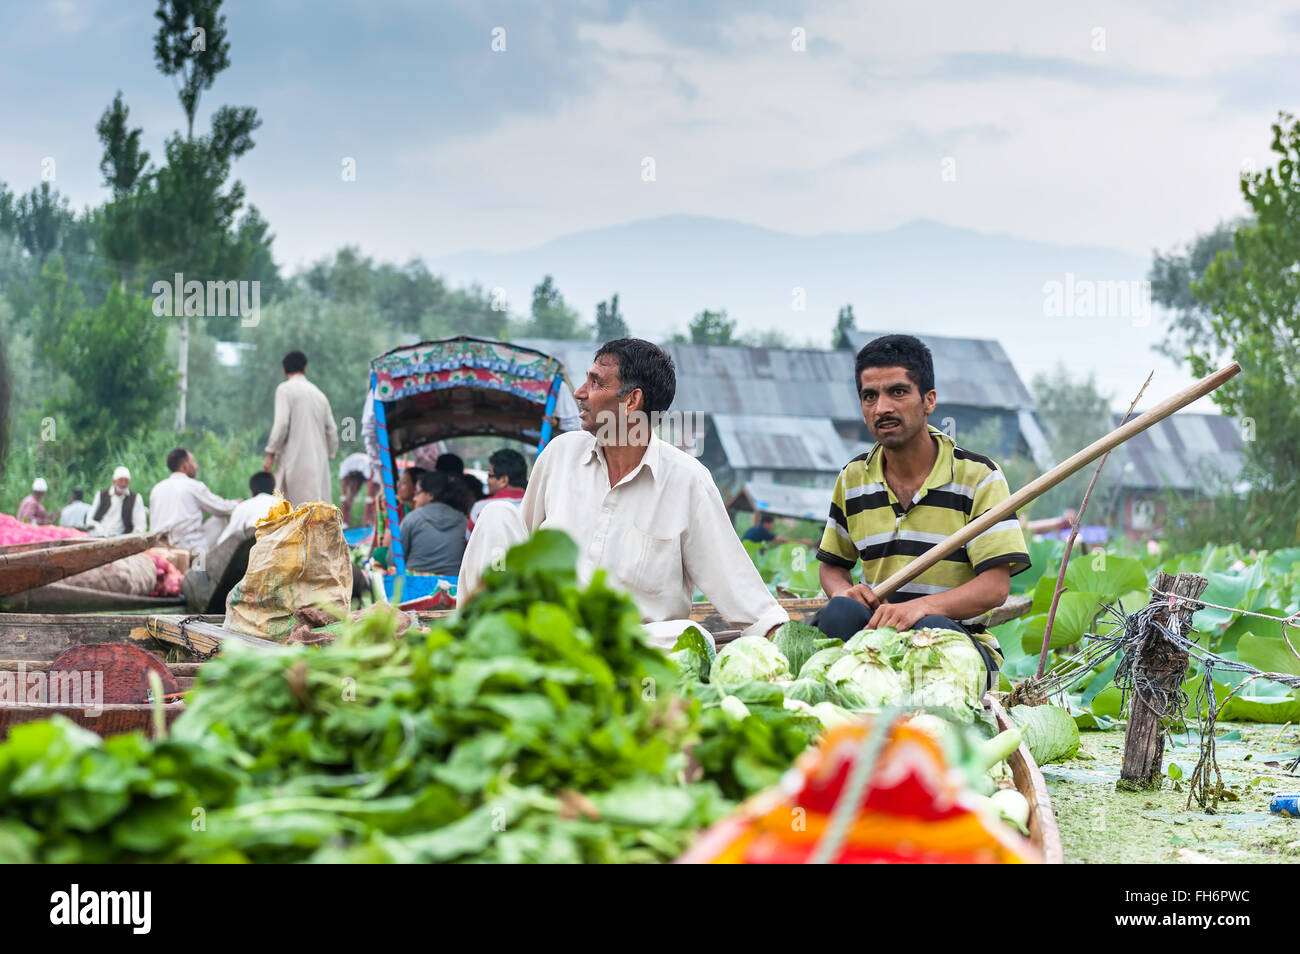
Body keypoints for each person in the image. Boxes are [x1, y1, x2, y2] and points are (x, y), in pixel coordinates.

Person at [460, 338, 788, 648]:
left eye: (596, 382)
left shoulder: (688, 482)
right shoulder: (560, 455)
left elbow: (748, 599)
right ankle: (474, 649)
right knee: (496, 515)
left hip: (622, 650)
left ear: (631, 401)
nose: (580, 393)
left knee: (686, 634)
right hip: (547, 637)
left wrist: (793, 648)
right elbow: (522, 542)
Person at [811, 334, 1031, 692]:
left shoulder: (978, 476)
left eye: (897, 392)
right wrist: (842, 591)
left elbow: (995, 587)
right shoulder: (853, 478)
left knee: (933, 626)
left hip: (956, 643)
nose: (881, 408)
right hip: (878, 644)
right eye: (870, 396)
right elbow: (833, 565)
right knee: (839, 613)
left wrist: (921, 608)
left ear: (929, 401)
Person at [263, 350, 339, 506]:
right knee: (317, 516)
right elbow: (332, 431)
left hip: (294, 461)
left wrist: (270, 453)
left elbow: (282, 424)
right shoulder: (319, 395)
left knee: (292, 515)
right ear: (305, 369)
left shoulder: (285, 389)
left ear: (284, 371)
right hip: (318, 466)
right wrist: (328, 455)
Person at [149, 448, 241, 553]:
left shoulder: (157, 488)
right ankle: (210, 561)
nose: (196, 466)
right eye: (193, 462)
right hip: (188, 547)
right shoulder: (193, 486)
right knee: (220, 519)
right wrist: (237, 504)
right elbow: (222, 508)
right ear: (185, 466)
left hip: (160, 547)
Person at [400, 470, 469, 575]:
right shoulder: (464, 522)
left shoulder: (411, 519)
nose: (414, 498)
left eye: (418, 492)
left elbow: (394, 559)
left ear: (430, 495)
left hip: (414, 586)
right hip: (453, 588)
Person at [467, 448, 527, 532]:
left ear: (503, 480)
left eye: (490, 476)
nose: (487, 480)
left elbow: (469, 542)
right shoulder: (535, 504)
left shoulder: (480, 508)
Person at [217, 472, 280, 546]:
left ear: (252, 491)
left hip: (253, 552)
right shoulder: (284, 505)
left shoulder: (243, 506)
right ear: (273, 489)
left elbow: (224, 540)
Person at [86, 466, 147, 537]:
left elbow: (140, 525)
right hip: (99, 536)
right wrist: (97, 527)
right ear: (114, 481)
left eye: (126, 481)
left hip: (122, 538)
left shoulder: (135, 498)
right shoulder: (101, 495)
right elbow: (89, 519)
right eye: (121, 480)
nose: (123, 484)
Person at [338, 451, 370, 527]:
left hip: (364, 467)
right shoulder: (345, 470)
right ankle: (345, 523)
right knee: (345, 498)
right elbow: (343, 496)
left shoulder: (368, 467)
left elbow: (371, 497)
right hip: (352, 467)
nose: (353, 487)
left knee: (371, 498)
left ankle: (368, 521)